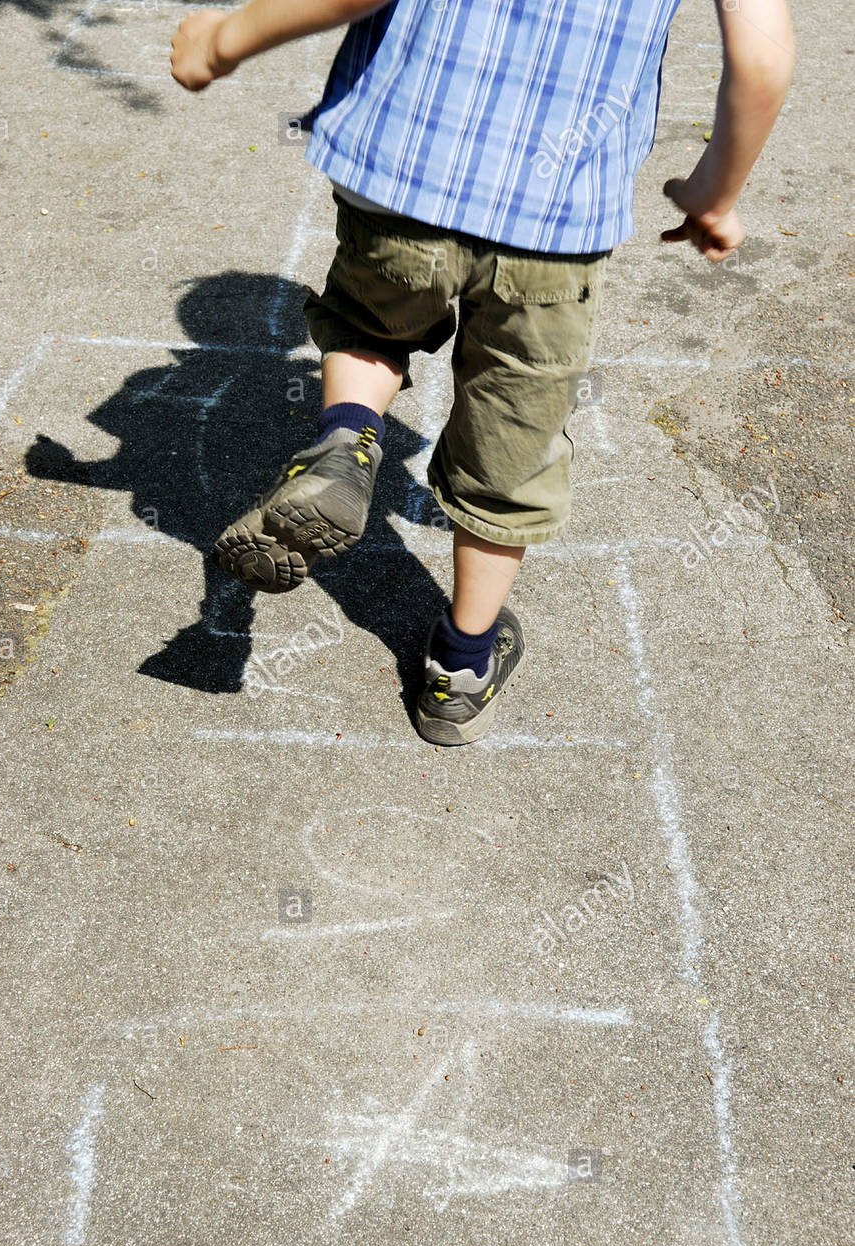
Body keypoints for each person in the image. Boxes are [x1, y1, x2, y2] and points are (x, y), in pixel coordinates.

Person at [170, 0, 795, 745]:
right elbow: (761, 56)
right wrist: (715, 193)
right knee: (511, 439)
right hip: (556, 219)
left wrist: (223, 41)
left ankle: (345, 442)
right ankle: (457, 670)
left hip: (405, 175)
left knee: (371, 328)